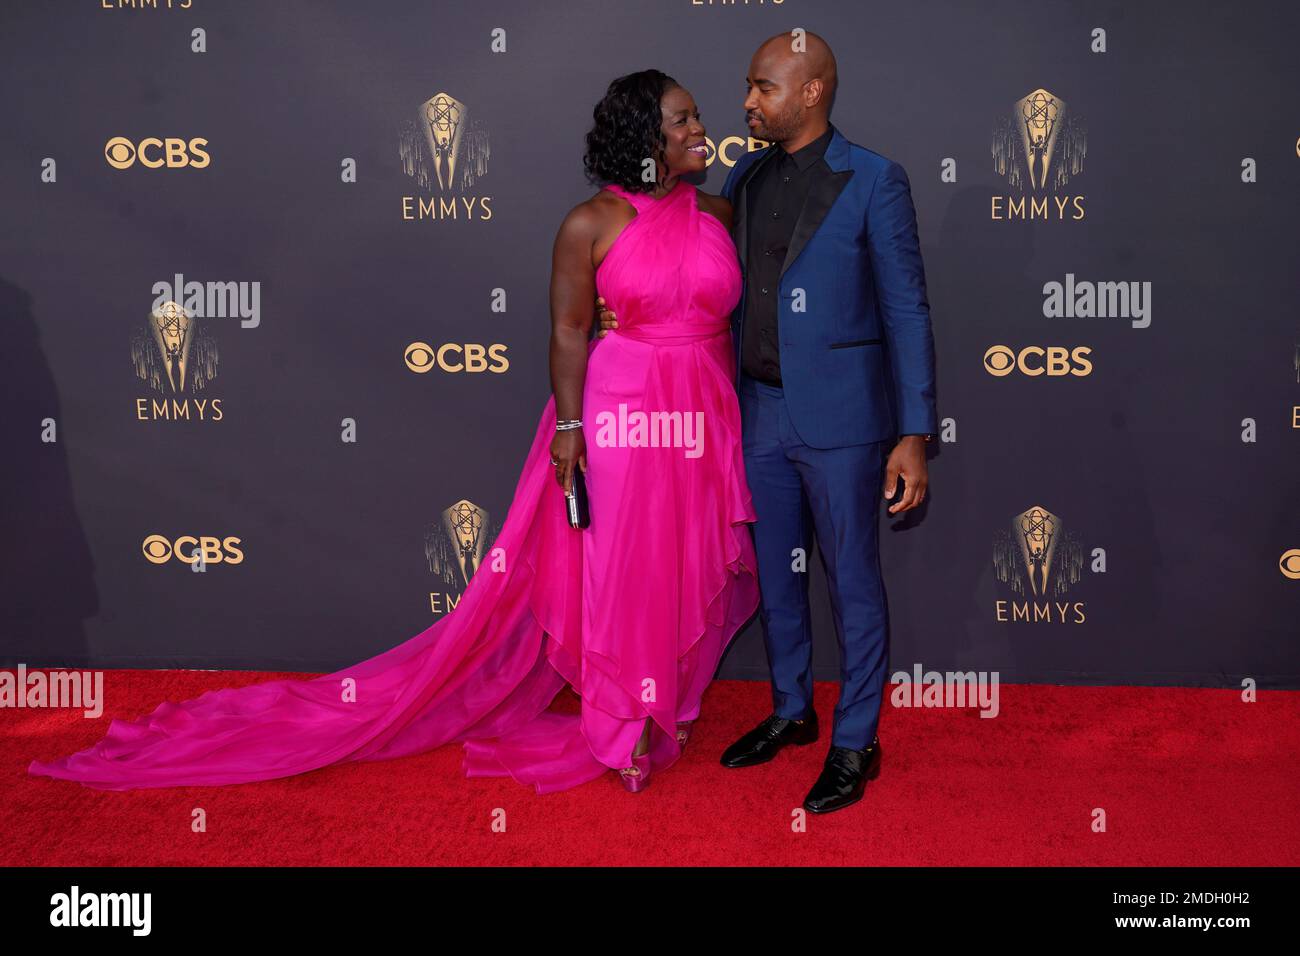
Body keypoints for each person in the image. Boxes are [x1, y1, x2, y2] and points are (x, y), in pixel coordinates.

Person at [27, 70, 759, 794]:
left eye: (697, 118)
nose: (701, 130)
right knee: (624, 566)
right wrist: (570, 427)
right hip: (621, 409)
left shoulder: (718, 216)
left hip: (701, 412)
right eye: (683, 119)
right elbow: (569, 332)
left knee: (685, 554)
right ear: (644, 137)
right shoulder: (591, 223)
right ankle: (620, 725)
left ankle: (672, 701)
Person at [599, 31, 937, 813]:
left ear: (812, 92)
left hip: (845, 421)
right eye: (748, 88)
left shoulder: (875, 181)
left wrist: (913, 433)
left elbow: (908, 312)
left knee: (852, 583)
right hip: (756, 414)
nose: (746, 103)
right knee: (780, 579)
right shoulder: (745, 177)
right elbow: (670, 243)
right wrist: (622, 309)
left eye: (763, 89)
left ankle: (857, 741)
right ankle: (792, 710)